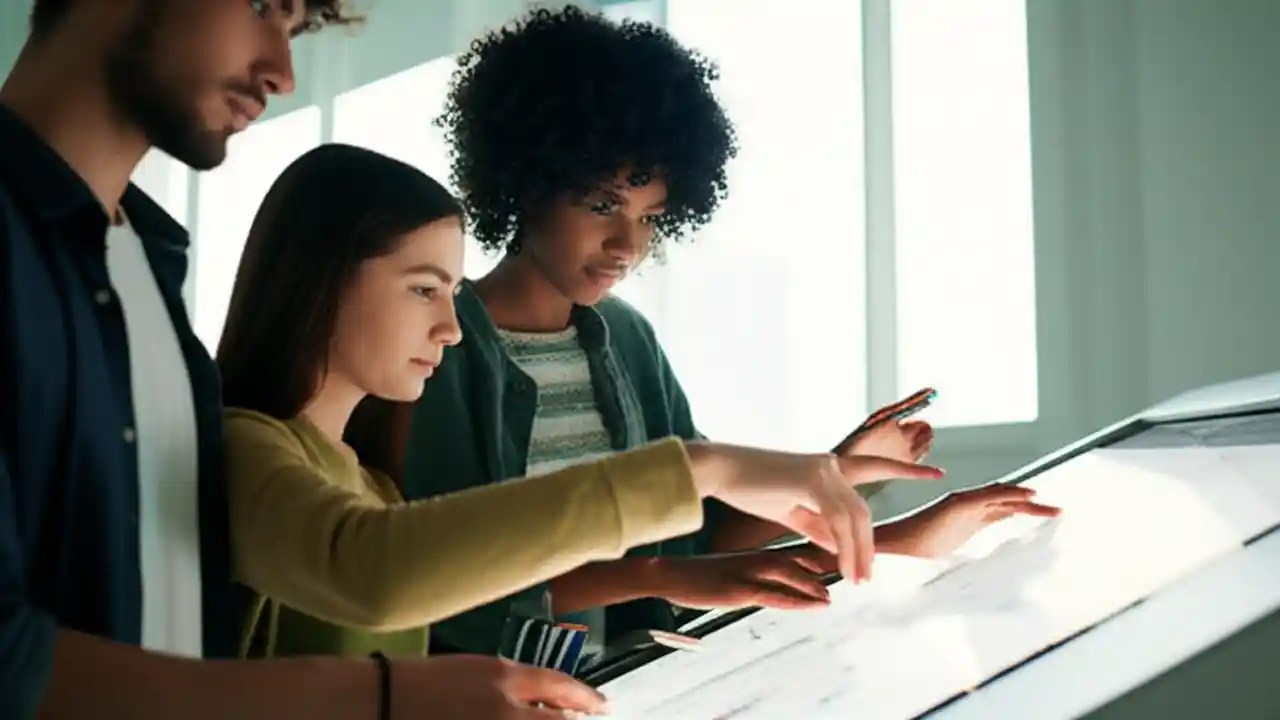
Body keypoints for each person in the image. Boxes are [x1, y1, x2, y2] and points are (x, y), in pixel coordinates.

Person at [0, 1, 879, 717]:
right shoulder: (247, 430)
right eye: (265, 6)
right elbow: (372, 567)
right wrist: (391, 697)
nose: (282, 70)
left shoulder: (147, 294)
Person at [380, 5, 1060, 660]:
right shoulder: (435, 350)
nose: (627, 244)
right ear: (528, 182)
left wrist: (832, 476)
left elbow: (698, 543)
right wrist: (893, 539)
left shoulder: (628, 342)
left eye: (650, 217)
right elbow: (456, 585)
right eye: (602, 205)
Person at [217, 143, 942, 661]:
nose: (447, 324)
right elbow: (394, 575)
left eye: (651, 217)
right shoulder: (245, 449)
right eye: (423, 289)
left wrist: (860, 497)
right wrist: (697, 475)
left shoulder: (363, 480)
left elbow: (693, 541)